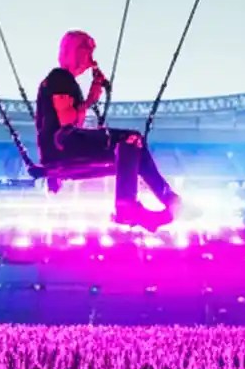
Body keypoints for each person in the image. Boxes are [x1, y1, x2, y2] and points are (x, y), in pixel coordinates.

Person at [35, 29, 181, 230]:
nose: (90, 59)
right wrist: (90, 102)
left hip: (61, 148)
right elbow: (66, 121)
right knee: (131, 139)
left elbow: (68, 122)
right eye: (87, 53)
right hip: (61, 146)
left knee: (133, 148)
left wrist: (90, 96)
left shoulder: (63, 81)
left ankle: (167, 199)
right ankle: (131, 205)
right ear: (75, 52)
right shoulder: (60, 77)